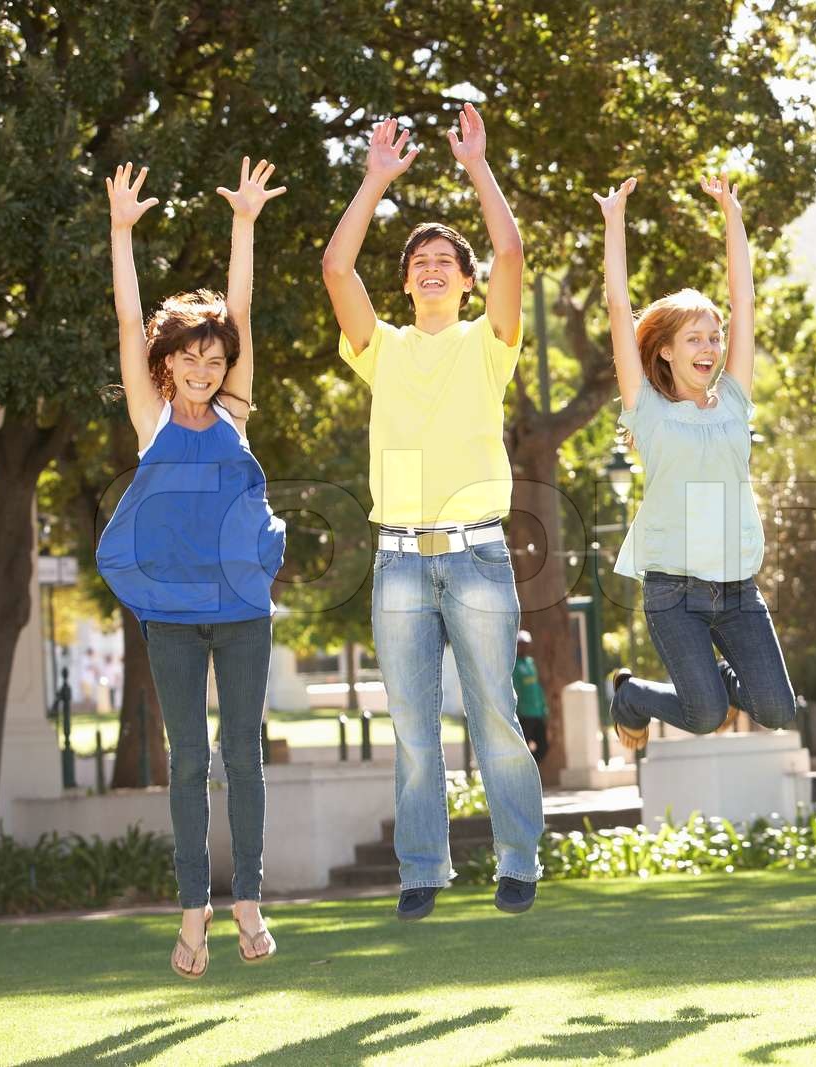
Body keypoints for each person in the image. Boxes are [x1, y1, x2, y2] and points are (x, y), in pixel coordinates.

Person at [321, 109, 543, 920]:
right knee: (415, 728)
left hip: (479, 554)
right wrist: (376, 179)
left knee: (494, 718)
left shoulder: (491, 342)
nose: (433, 267)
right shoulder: (383, 348)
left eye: (447, 259)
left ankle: (519, 858)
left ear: (468, 279)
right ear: (407, 281)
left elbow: (513, 253)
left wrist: (478, 167)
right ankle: (423, 870)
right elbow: (336, 267)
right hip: (401, 561)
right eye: (420, 261)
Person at [96, 158, 288, 977]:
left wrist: (245, 224)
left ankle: (247, 897)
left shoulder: (235, 412)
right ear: (168, 362)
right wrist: (121, 233)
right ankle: (192, 909)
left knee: (243, 752)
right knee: (188, 760)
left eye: (216, 362)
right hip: (170, 611)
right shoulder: (150, 417)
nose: (206, 373)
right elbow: (128, 311)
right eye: (193, 361)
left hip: (242, 604)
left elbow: (238, 310)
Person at [595, 174, 797, 748]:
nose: (709, 348)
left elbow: (745, 297)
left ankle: (705, 683)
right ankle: (632, 695)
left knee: (777, 709)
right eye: (693, 339)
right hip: (674, 591)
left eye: (714, 337)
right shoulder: (647, 410)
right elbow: (617, 303)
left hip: (736, 587)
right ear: (664, 349)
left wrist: (731, 212)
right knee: (706, 716)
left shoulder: (734, 397)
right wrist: (615, 221)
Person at [513, 631, 549, 763]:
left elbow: (537, 686)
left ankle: (529, 766)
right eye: (521, 644)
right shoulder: (513, 664)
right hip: (523, 714)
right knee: (523, 746)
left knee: (543, 747)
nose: (524, 647)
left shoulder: (530, 662)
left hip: (537, 712)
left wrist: (544, 707)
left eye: (526, 644)